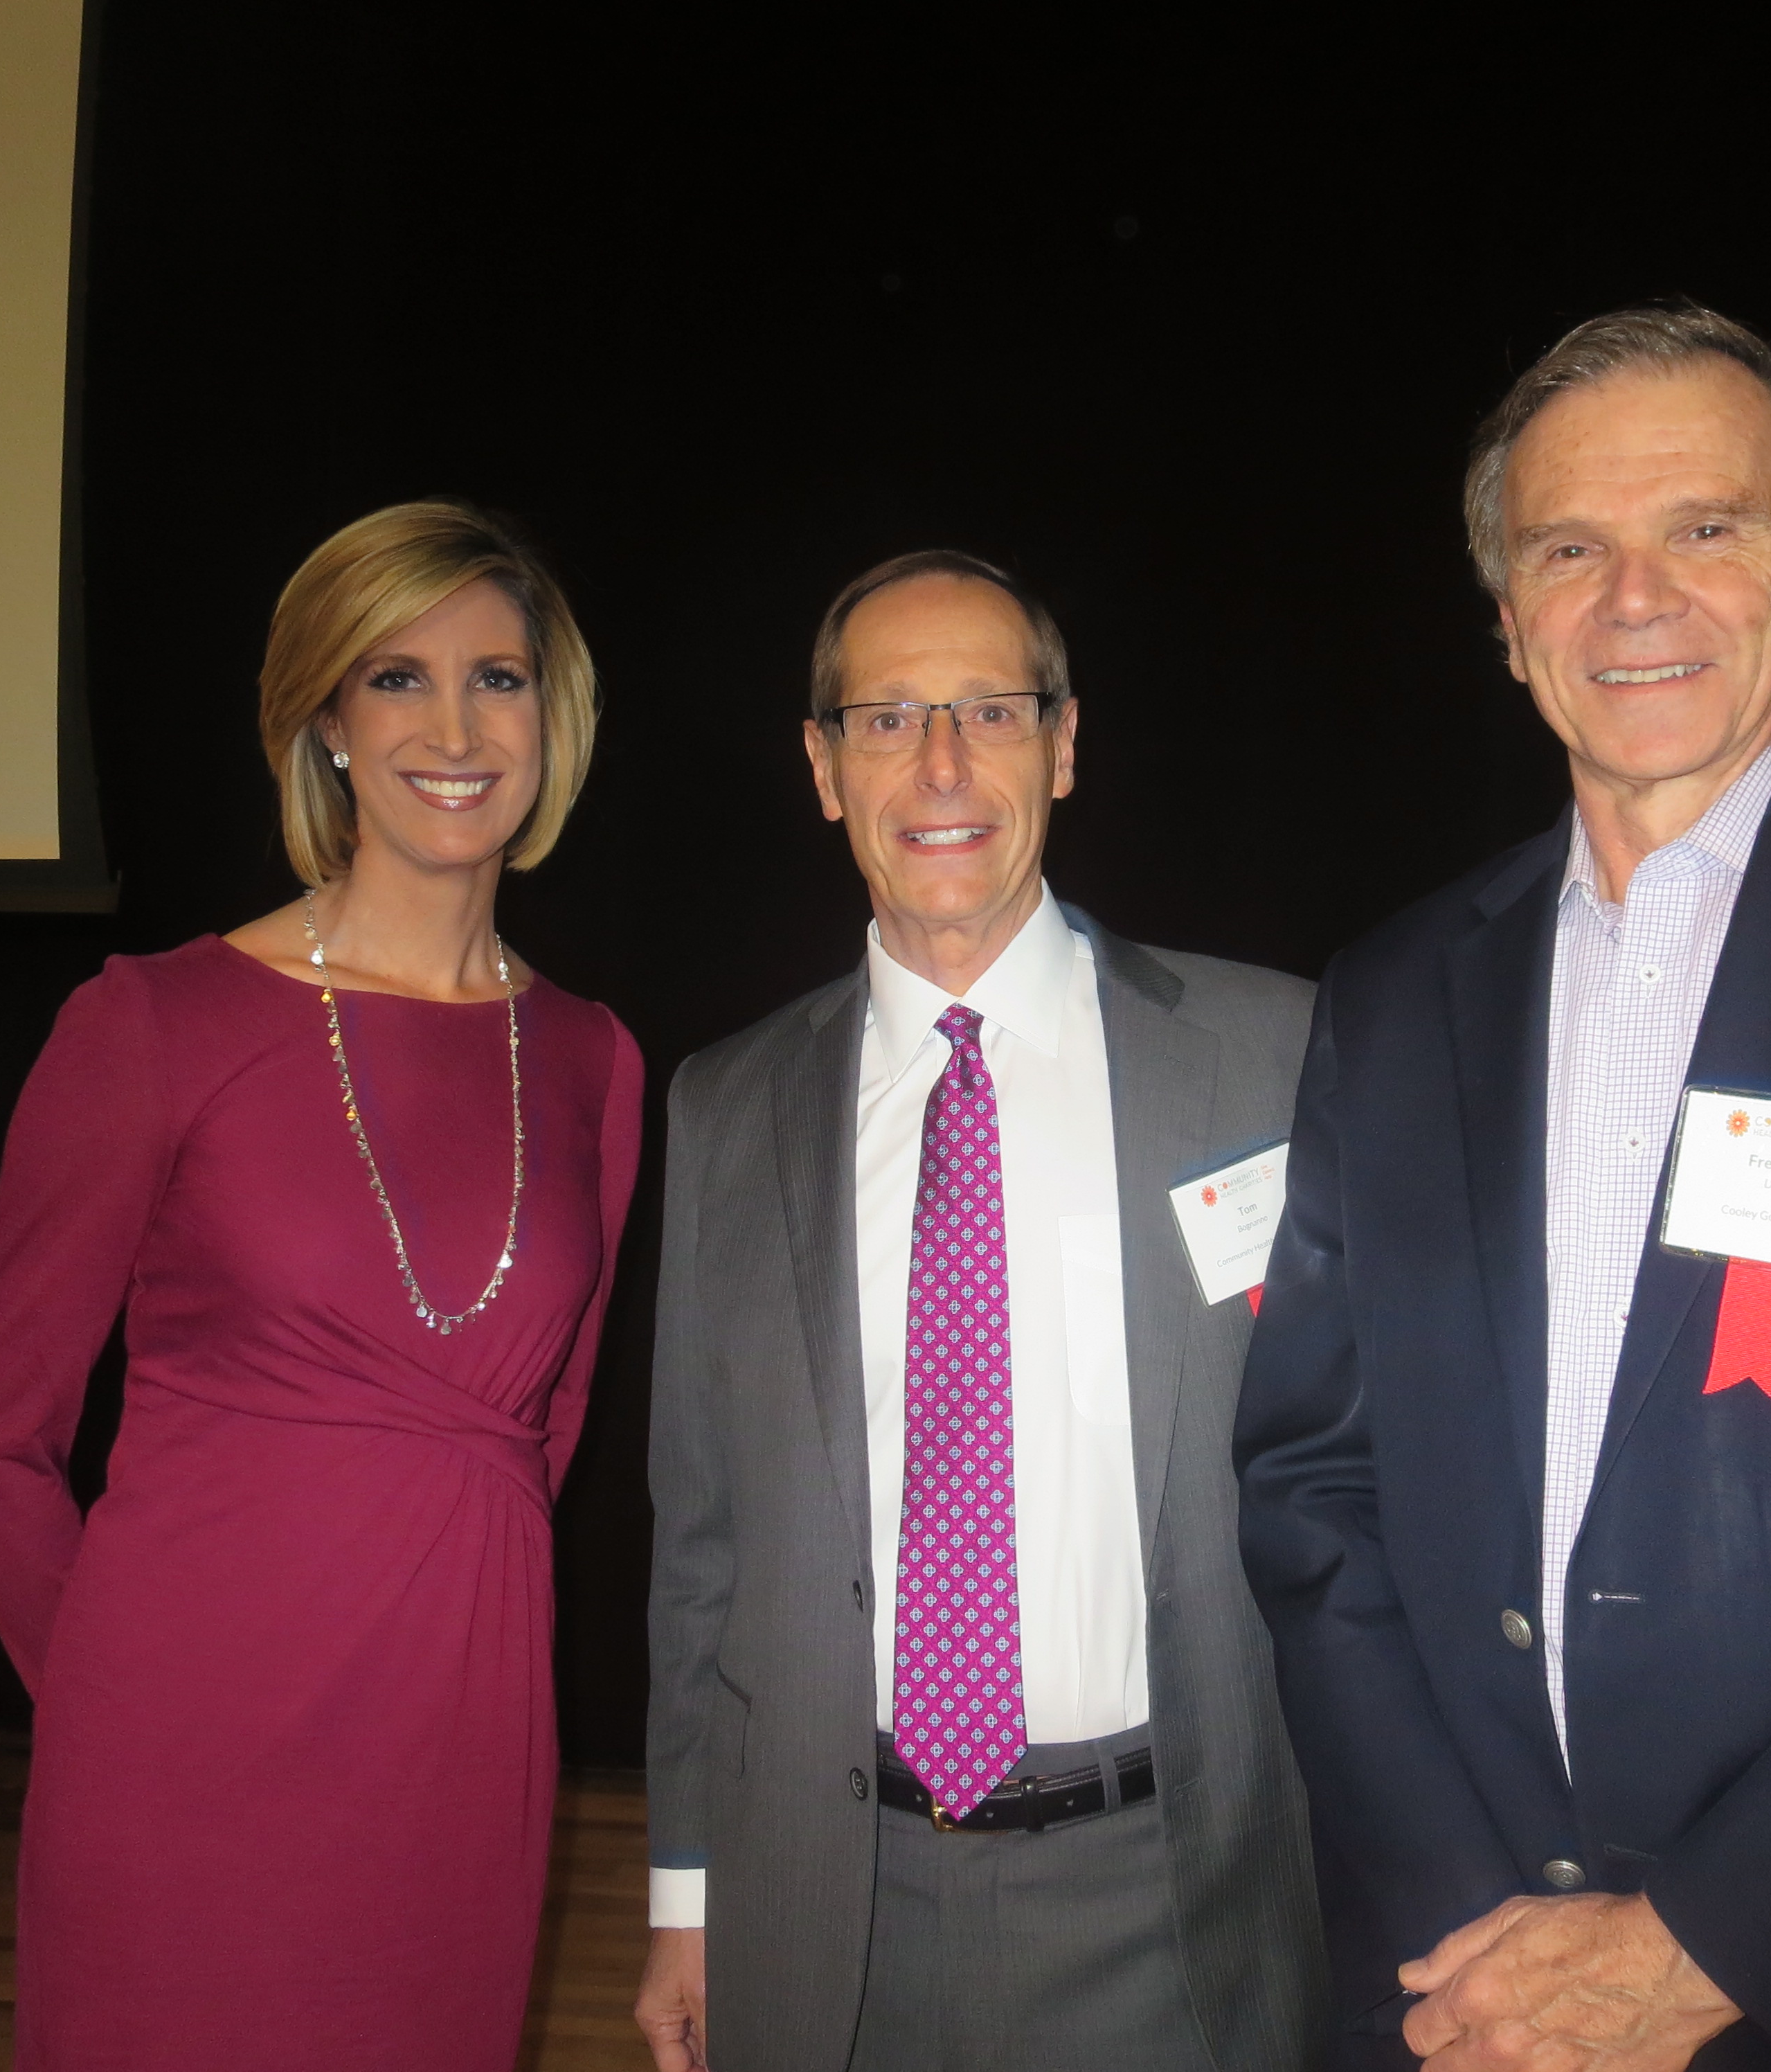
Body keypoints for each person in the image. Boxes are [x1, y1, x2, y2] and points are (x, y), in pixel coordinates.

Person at [1237, 301, 1771, 2072]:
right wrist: (1472, 1943)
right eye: (1567, 547)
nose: (1631, 595)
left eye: (1705, 529)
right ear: (1507, 623)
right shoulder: (1390, 984)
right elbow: (1308, 1480)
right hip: (1459, 1999)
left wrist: (1712, 1938)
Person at [0, 501, 643, 2071]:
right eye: (397, 678)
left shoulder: (594, 1058)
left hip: (456, 1762)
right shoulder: (154, 1023)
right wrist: (121, 1722)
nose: (455, 728)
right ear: (325, 719)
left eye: (500, 678)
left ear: (553, 716)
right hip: (177, 1764)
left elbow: (543, 1436)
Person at [636, 549, 1326, 2072]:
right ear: (821, 769)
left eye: (988, 712)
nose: (939, 763)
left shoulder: (1271, 1056)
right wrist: (682, 1890)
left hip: (1177, 1891)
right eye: (885, 719)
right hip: (829, 1906)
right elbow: (697, 1545)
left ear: (1063, 742)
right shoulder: (723, 1107)